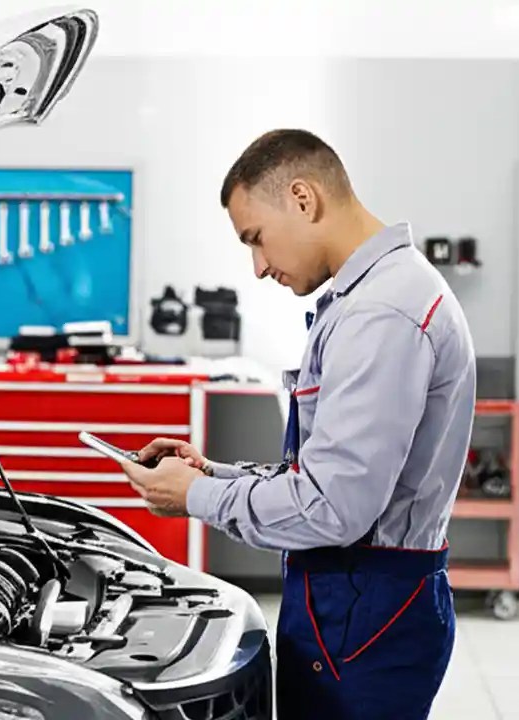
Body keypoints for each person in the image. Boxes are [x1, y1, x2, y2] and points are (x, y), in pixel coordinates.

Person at [118, 129, 476, 719]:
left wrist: (201, 496)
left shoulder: (382, 313)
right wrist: (214, 472)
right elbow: (325, 472)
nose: (258, 266)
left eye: (256, 239)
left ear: (304, 199)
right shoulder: (374, 298)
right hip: (360, 602)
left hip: (364, 612)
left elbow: (335, 508)